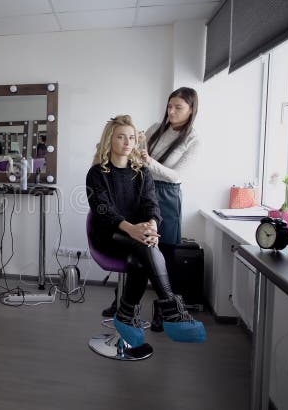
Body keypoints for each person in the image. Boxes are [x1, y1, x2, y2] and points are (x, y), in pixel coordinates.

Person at [86, 115, 205, 347]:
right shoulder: (97, 173)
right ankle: (170, 309)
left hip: (137, 234)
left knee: (140, 255)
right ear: (110, 140)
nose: (127, 142)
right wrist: (132, 229)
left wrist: (151, 224)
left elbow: (152, 205)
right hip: (107, 234)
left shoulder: (141, 171)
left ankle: (126, 315)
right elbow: (103, 210)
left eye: (131, 137)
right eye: (121, 137)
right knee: (144, 245)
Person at [138, 87, 200, 330]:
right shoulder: (156, 128)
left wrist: (149, 161)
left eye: (178, 107)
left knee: (165, 253)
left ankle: (164, 310)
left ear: (191, 110)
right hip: (143, 190)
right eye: (169, 106)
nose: (171, 111)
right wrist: (137, 144)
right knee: (140, 247)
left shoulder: (193, 139)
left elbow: (176, 176)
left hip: (167, 195)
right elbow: (138, 157)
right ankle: (126, 302)